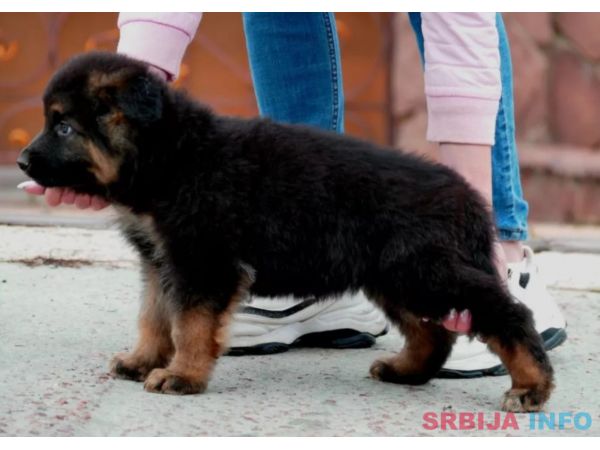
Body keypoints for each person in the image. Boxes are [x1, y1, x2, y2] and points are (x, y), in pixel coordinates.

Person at [19, 12, 566, 377]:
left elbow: (204, 280)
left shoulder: (198, 172)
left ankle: (508, 272)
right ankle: (367, 326)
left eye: (63, 128)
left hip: (410, 199)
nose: (41, 145)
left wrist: (473, 197)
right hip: (315, 220)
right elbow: (167, 271)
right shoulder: (170, 160)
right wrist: (140, 67)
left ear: (119, 120)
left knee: (425, 275)